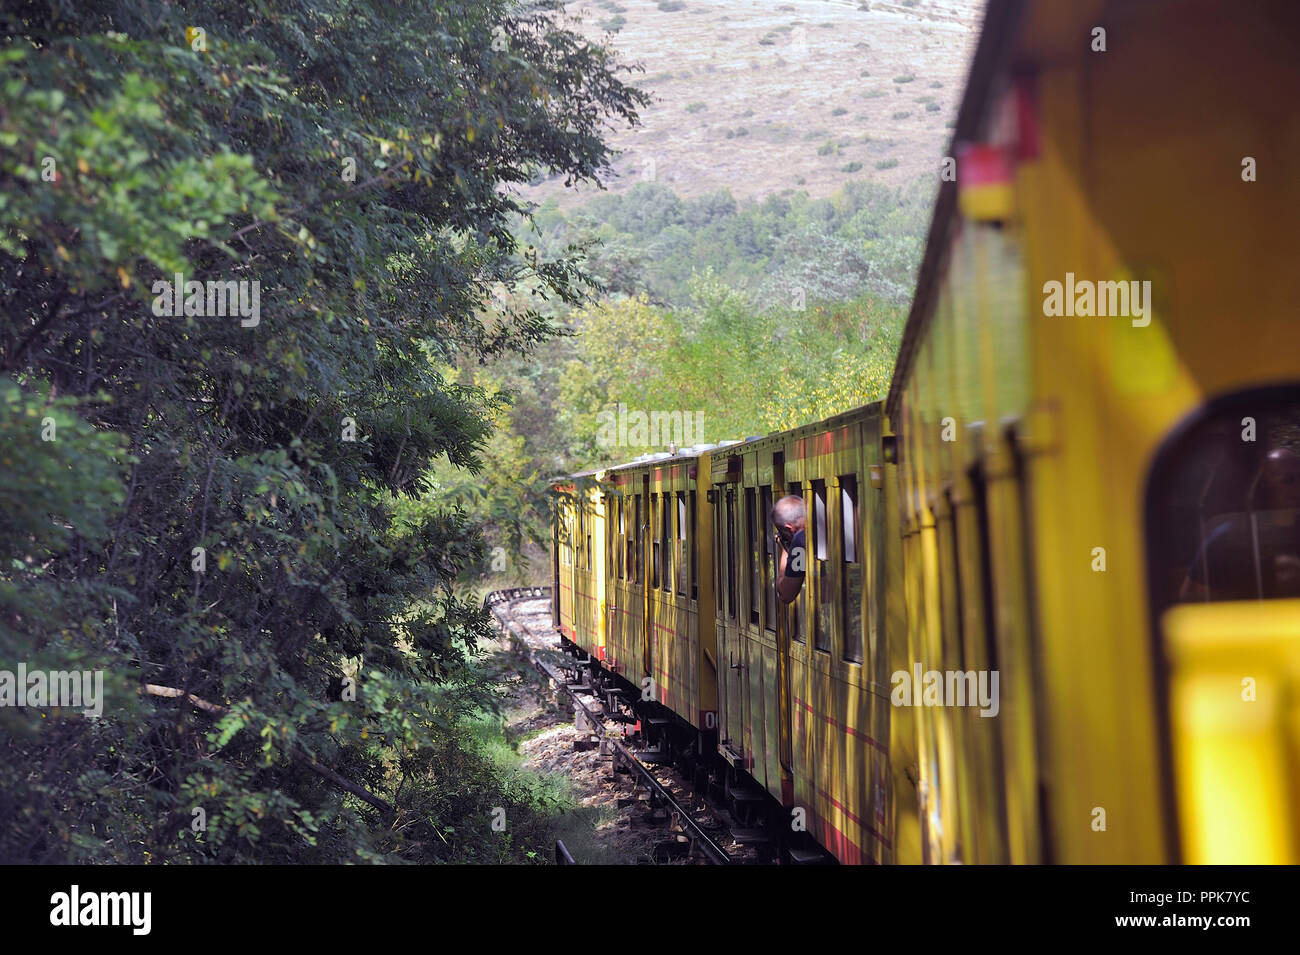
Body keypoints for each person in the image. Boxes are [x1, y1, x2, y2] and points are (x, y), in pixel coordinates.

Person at [771, 494, 807, 604]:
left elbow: (786, 594)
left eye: (784, 534)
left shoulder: (800, 541)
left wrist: (785, 549)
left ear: (789, 529)